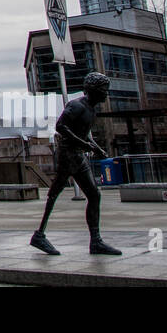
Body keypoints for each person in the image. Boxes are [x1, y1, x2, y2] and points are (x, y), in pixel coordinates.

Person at [30, 72, 121, 256]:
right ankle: (39, 235)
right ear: (94, 90)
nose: (106, 94)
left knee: (94, 194)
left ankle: (96, 241)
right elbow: (60, 126)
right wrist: (85, 144)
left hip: (79, 156)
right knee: (54, 194)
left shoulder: (91, 108)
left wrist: (95, 148)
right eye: (104, 90)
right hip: (68, 155)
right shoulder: (76, 105)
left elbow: (84, 133)